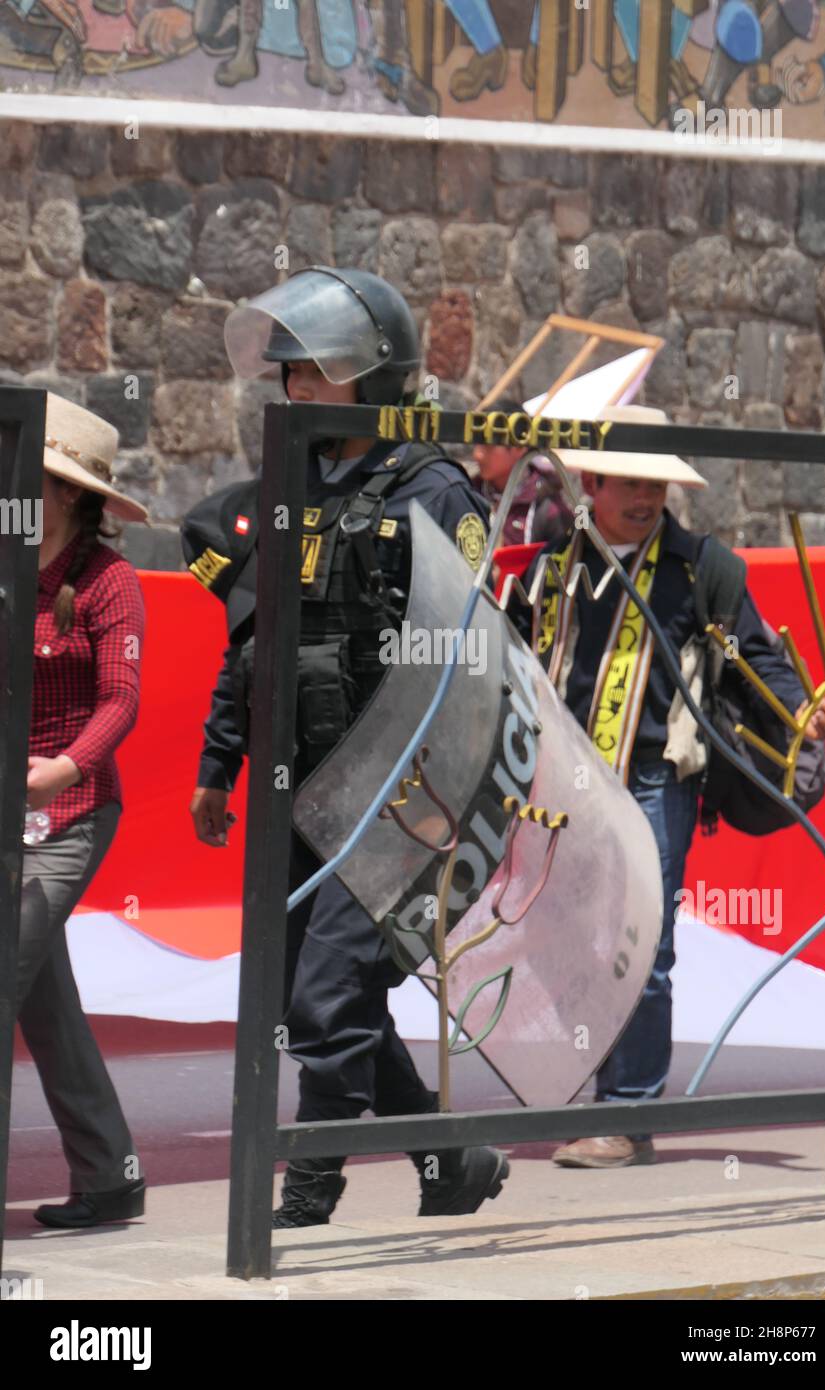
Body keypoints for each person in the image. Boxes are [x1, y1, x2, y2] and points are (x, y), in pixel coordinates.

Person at [182, 265, 509, 1227]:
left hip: (396, 793)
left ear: (375, 376)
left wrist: (432, 789)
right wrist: (217, 764)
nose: (293, 389)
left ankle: (310, 1179)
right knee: (297, 996)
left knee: (332, 992)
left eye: (314, 371)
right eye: (287, 373)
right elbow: (258, 644)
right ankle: (450, 1162)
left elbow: (467, 657)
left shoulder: (435, 489)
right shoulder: (285, 487)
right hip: (296, 782)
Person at [522, 404, 825, 1168]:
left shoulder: (703, 569)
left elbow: (756, 659)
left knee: (643, 942)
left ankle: (627, 1116)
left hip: (653, 780)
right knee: (567, 936)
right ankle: (597, 1083)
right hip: (564, 786)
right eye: (630, 481)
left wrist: (801, 710)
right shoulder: (553, 566)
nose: (645, 498)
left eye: (657, 483)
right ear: (592, 480)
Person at [19, 392, 148, 1227]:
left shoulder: (111, 583)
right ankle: (111, 1176)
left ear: (67, 491)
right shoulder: (6, 564)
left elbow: (122, 701)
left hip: (72, 816)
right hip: (7, 809)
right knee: (41, 999)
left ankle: (108, 1173)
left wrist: (60, 772)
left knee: (5, 970)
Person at [472, 395, 574, 546]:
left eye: (488, 446)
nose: (477, 454)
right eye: (476, 444)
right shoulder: (470, 492)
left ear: (519, 447)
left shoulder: (549, 509)